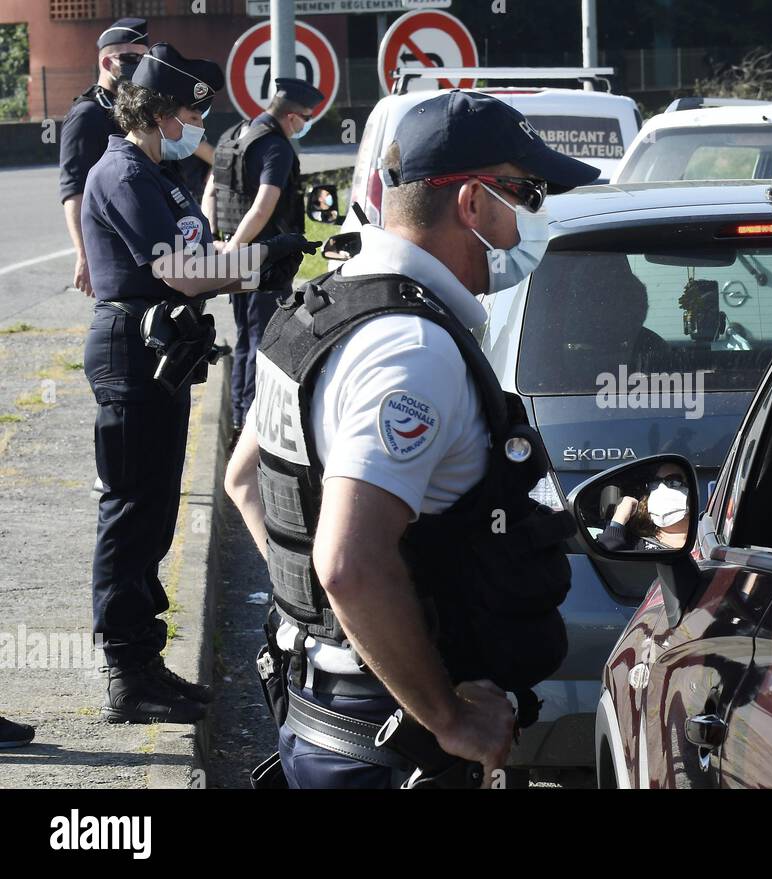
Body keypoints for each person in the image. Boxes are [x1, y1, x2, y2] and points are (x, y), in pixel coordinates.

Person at [224, 90, 598, 788]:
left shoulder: (323, 308)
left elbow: (247, 481)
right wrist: (445, 714)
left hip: (318, 707)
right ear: (473, 204)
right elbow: (347, 561)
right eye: (530, 193)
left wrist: (325, 624)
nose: (536, 217)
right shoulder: (411, 350)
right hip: (387, 736)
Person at [81, 42, 317, 725]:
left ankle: (148, 662)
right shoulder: (123, 173)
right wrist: (258, 264)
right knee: (130, 513)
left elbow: (202, 249)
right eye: (187, 110)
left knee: (156, 512)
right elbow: (181, 269)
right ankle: (126, 672)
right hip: (130, 349)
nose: (195, 122)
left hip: (163, 351)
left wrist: (257, 258)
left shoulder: (164, 172)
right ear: (155, 111)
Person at [59, 19, 215, 299]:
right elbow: (75, 189)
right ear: (107, 63)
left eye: (144, 57)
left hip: (161, 248)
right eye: (131, 58)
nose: (140, 65)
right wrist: (85, 254)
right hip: (130, 258)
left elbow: (194, 150)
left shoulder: (158, 115)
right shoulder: (88, 115)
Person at [204, 78, 322, 447]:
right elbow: (264, 205)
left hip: (234, 256)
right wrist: (239, 245)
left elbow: (211, 190)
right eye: (304, 118)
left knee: (245, 338)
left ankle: (240, 418)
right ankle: (254, 431)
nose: (305, 124)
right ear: (289, 116)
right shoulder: (276, 148)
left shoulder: (235, 134)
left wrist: (219, 243)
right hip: (264, 260)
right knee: (263, 343)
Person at [599, 462, 692, 552]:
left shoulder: (704, 536)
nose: (661, 489)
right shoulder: (637, 544)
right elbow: (607, 553)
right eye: (655, 483)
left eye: (673, 482)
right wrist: (619, 519)